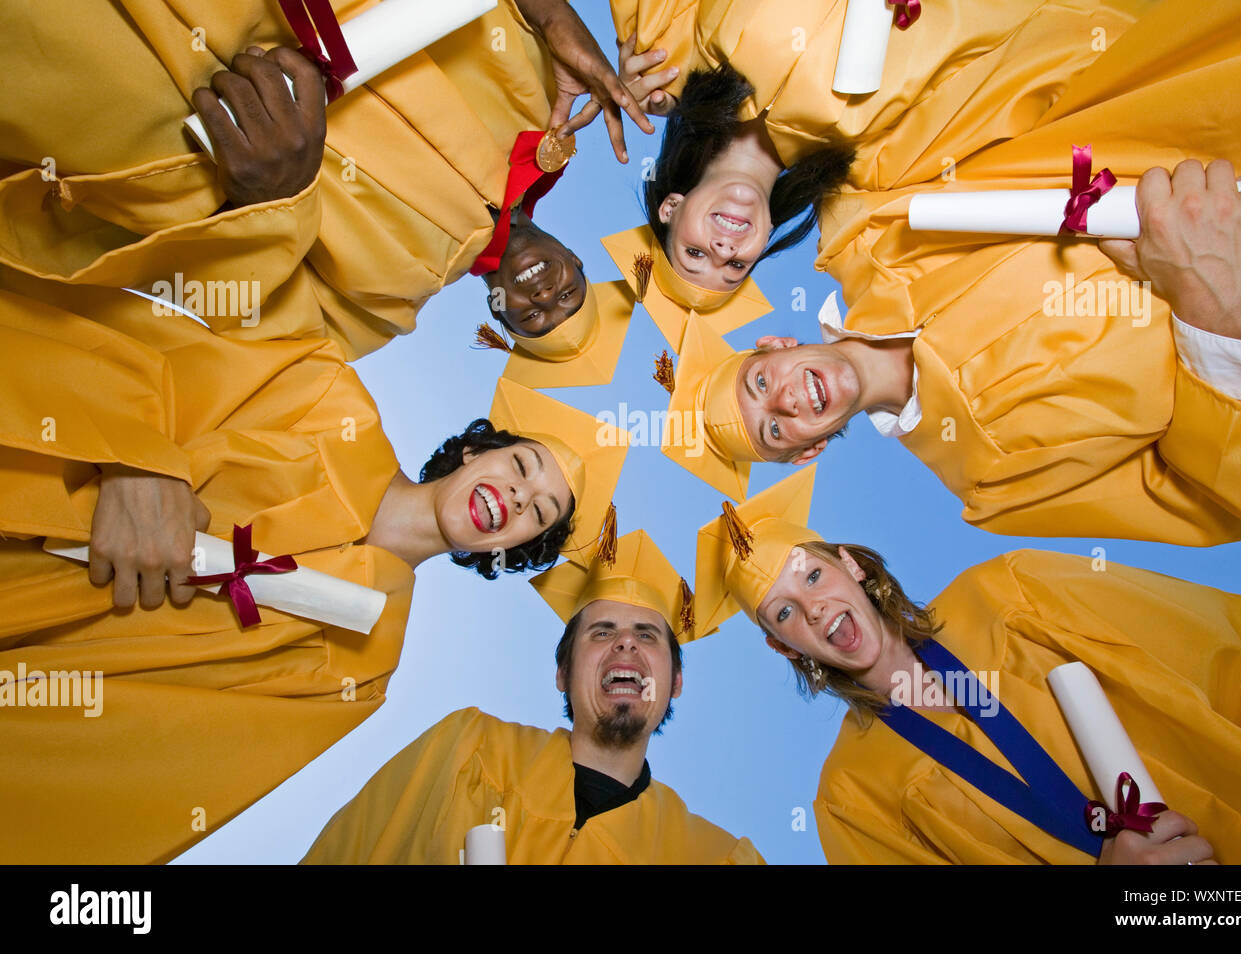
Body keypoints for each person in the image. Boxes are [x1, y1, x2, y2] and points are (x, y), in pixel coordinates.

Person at [0, 284, 627, 863]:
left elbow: (166, 758)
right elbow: (142, 344)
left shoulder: (364, 661)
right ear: (474, 452)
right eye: (521, 466)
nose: (519, 498)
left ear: (512, 549)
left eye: (538, 513)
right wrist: (138, 459)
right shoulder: (324, 398)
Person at [671, 159, 1241, 544]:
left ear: (775, 343)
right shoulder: (994, 487)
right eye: (776, 430)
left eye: (759, 384)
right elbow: (1212, 496)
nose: (784, 400)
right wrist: (1217, 314)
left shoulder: (875, 224)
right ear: (809, 449)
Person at [692, 468, 1241, 864]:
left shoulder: (1006, 594)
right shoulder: (852, 794)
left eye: (815, 574)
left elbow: (1213, 646)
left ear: (852, 565)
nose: (815, 606)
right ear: (785, 648)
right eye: (784, 613)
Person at [0, 0, 652, 361]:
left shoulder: (379, 310)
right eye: (568, 299)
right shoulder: (546, 113)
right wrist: (551, 12)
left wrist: (269, 200)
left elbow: (234, 321)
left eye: (531, 320)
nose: (543, 299)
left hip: (152, 92)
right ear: (574, 259)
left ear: (498, 312)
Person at [607, 0, 1144, 320]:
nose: (724, 248)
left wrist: (648, 49)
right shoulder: (876, 163)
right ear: (765, 238)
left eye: (696, 253)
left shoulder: (674, 55)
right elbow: (1019, 67)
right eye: (736, 266)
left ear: (672, 207)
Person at [302, 529, 762, 864]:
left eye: (647, 635)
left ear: (676, 682)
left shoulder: (713, 855)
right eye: (602, 632)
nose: (626, 644)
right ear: (562, 674)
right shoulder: (469, 748)